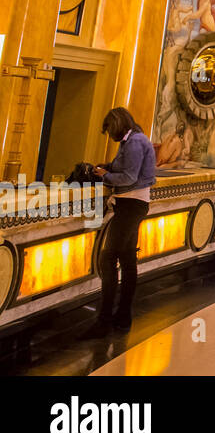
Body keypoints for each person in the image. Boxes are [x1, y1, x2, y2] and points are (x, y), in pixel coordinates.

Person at [84, 107, 157, 336]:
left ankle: (104, 320)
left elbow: (129, 177)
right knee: (126, 260)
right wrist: (106, 167)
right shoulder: (133, 139)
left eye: (109, 131)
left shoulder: (135, 142)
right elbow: (124, 168)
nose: (110, 136)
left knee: (108, 258)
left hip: (131, 205)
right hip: (133, 204)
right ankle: (122, 318)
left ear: (117, 125)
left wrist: (104, 176)